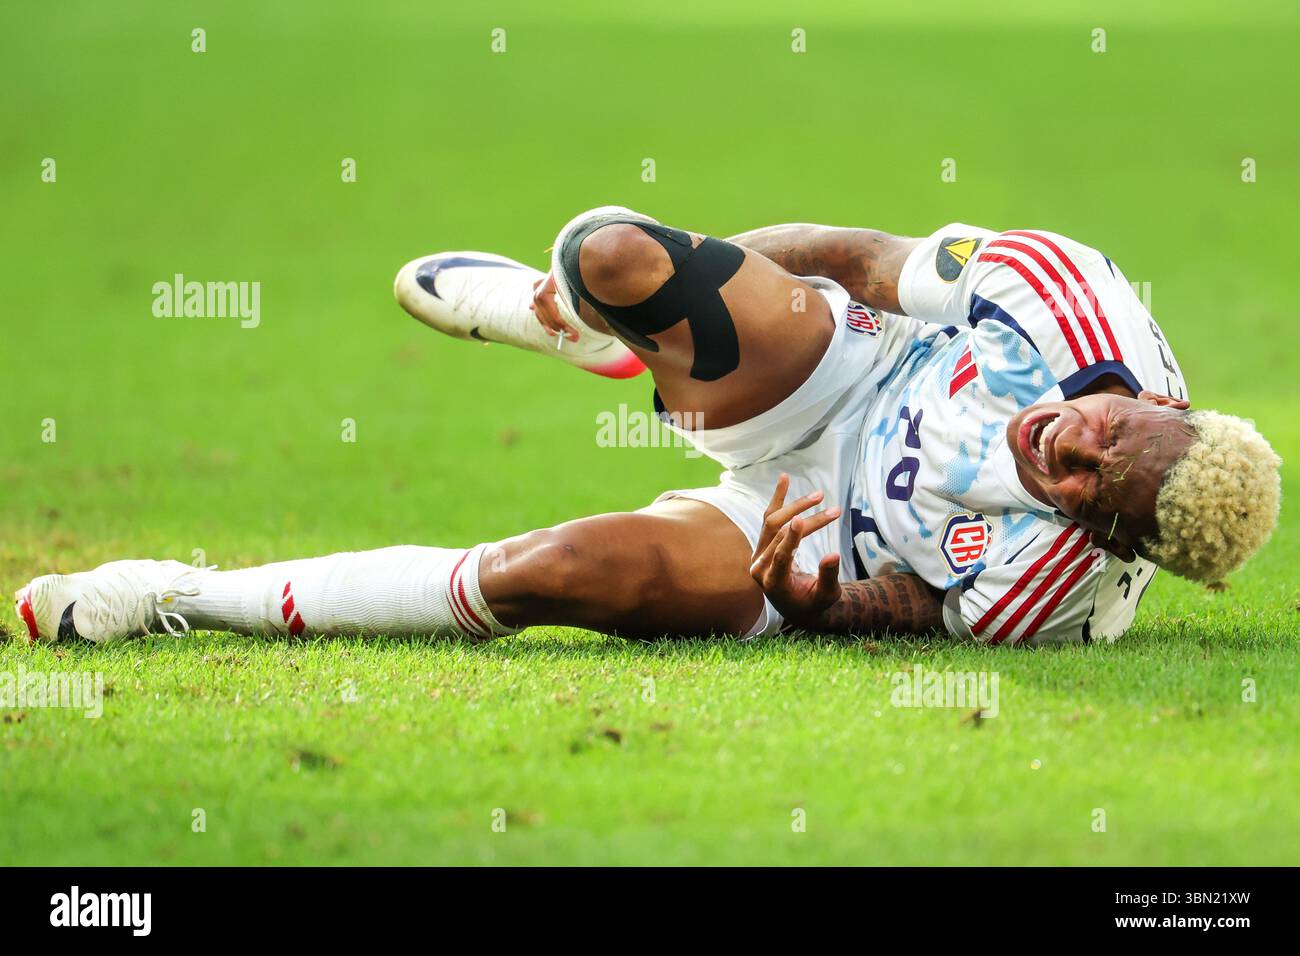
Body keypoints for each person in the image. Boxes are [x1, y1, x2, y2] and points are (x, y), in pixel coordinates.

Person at [14, 207, 1281, 647]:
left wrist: (805, 590)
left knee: (554, 574)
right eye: (1107, 429)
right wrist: (694, 287)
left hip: (801, 527)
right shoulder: (1063, 298)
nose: (1069, 446)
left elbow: (896, 613)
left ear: (1106, 538)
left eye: (1086, 486)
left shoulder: (1044, 598)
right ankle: (581, 321)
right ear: (1152, 398)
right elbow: (854, 254)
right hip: (832, 366)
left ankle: (178, 592)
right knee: (610, 249)